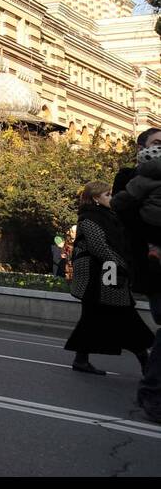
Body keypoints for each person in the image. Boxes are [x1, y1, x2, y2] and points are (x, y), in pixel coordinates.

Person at [64, 180, 154, 376]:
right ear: (95, 198)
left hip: (107, 277)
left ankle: (81, 359)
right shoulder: (89, 218)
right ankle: (147, 365)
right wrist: (123, 266)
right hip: (98, 279)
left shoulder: (109, 216)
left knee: (93, 320)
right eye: (107, 195)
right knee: (125, 317)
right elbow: (100, 248)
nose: (111, 198)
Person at [112, 127, 161, 422]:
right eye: (156, 143)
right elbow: (127, 222)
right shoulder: (130, 177)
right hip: (154, 266)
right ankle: (152, 393)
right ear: (141, 147)